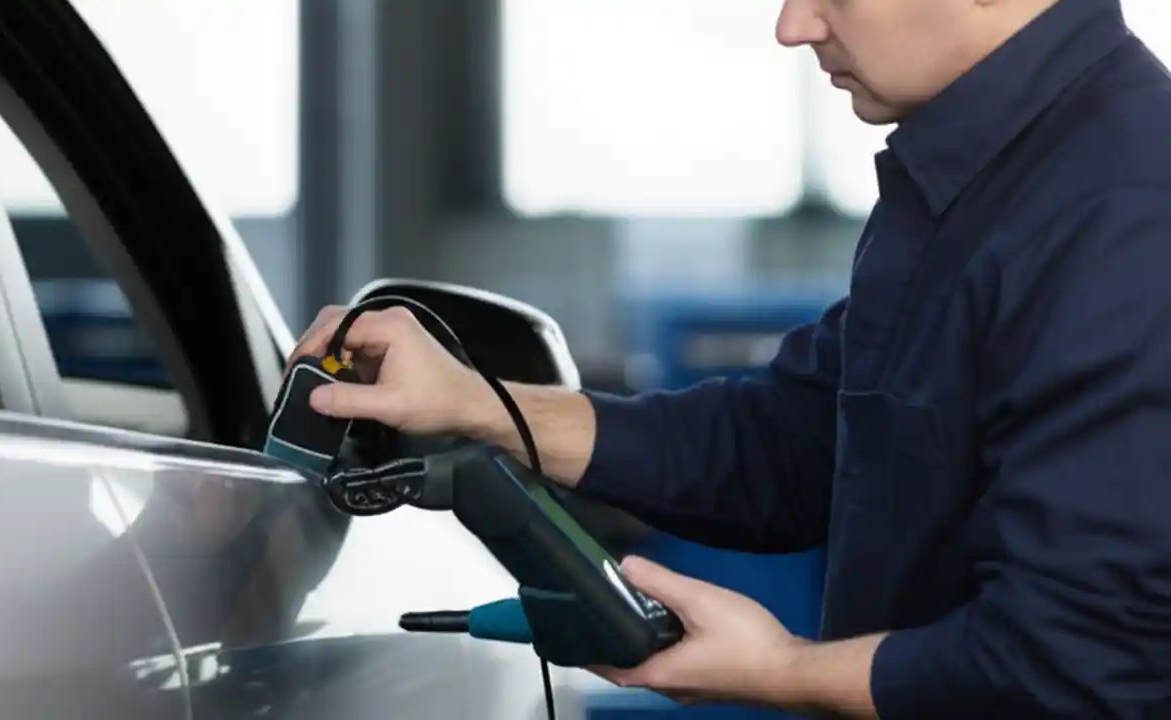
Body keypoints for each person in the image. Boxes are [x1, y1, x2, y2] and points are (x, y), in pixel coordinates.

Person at [290, 0, 1171, 716]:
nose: (793, 24)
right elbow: (790, 445)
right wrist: (478, 402)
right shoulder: (992, 182)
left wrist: (783, 671)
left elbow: (1086, 658)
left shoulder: (1125, 212)